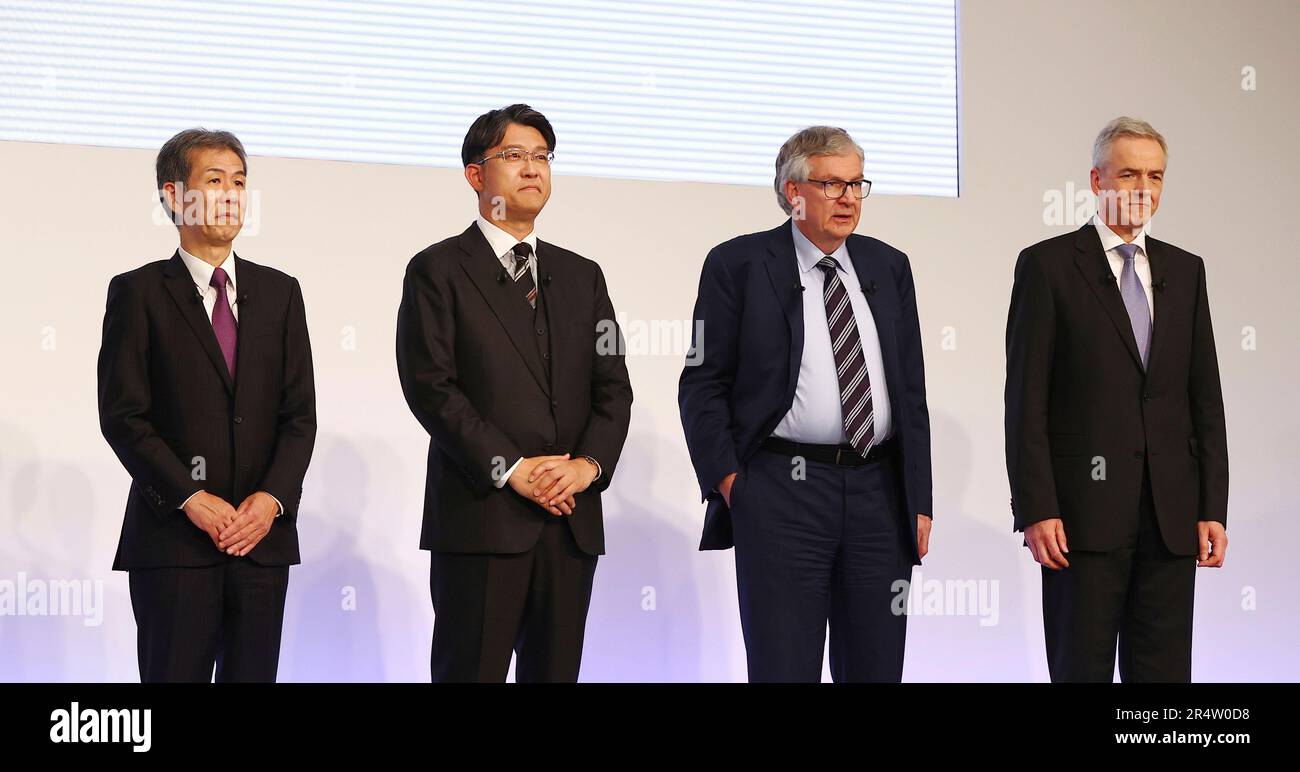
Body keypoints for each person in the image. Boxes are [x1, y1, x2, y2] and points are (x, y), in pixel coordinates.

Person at [678, 126, 933, 682]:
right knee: (783, 666)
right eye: (831, 184)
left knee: (876, 666)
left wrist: (919, 498)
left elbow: (911, 393)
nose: (848, 198)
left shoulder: (889, 266)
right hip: (781, 492)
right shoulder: (738, 264)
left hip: (879, 496)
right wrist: (732, 483)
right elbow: (702, 382)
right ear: (793, 192)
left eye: (857, 184)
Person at [396, 104, 633, 682]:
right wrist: (513, 469)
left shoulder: (582, 275)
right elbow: (432, 387)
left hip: (569, 518)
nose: (532, 168)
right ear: (475, 175)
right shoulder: (438, 269)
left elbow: (613, 389)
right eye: (514, 155)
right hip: (483, 516)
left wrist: (585, 467)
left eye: (542, 156)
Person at [1004, 117, 1229, 682]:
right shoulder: (1048, 266)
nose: (1143, 189)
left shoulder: (1186, 270)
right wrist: (1037, 506)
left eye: (1155, 176)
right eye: (1129, 174)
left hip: (1170, 517)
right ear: (1096, 180)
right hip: (1080, 517)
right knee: (1080, 669)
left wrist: (1212, 507)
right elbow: (1026, 401)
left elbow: (1205, 397)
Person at [97, 128, 316, 682]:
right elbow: (124, 416)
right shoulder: (138, 292)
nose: (231, 195)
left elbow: (299, 417)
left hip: (261, 543)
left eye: (239, 183)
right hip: (174, 542)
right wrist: (191, 498)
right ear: (173, 195)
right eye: (214, 180)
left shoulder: (281, 293)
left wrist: (270, 500)